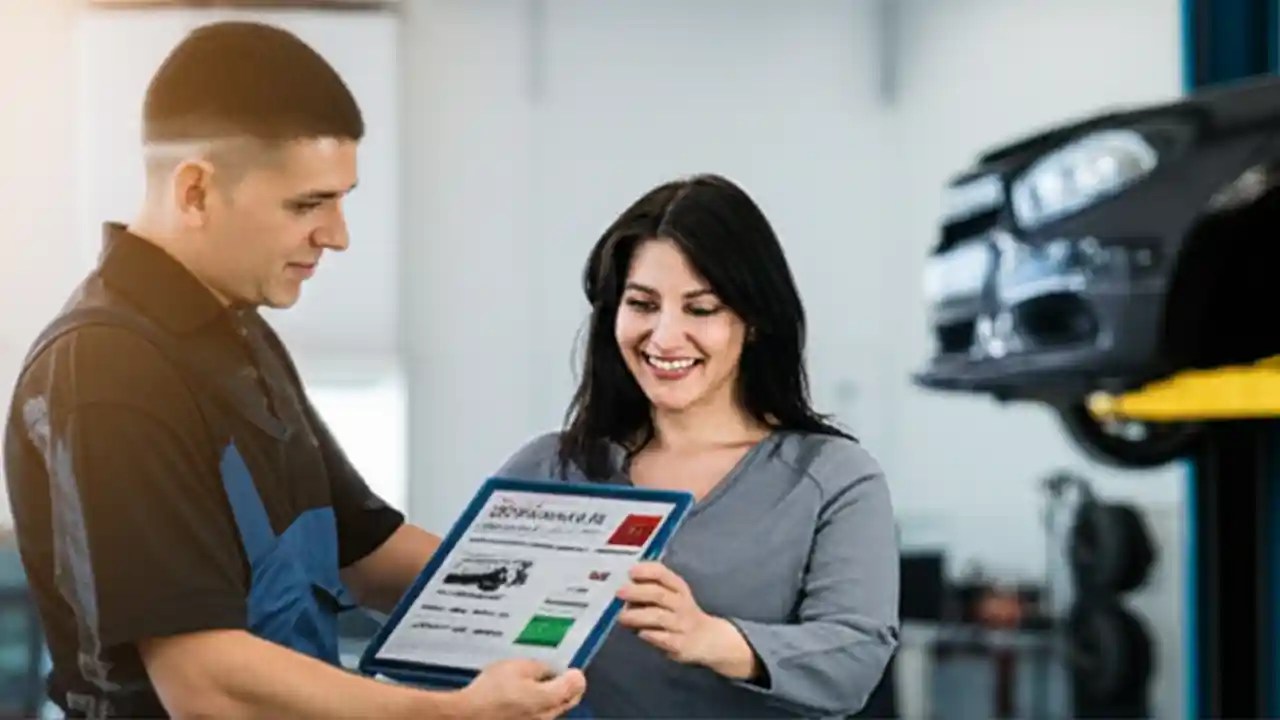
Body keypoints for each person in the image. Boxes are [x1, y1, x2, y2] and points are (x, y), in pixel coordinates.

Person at [3, 21, 583, 720]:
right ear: (194, 192)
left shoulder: (239, 332)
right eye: (307, 204)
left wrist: (566, 594)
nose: (336, 235)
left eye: (342, 199)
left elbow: (364, 550)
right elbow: (203, 683)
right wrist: (450, 714)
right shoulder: (107, 370)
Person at [496, 173, 901, 718]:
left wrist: (711, 639)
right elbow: (454, 620)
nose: (664, 337)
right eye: (642, 304)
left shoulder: (834, 478)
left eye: (700, 308)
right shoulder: (548, 467)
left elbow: (856, 657)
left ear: (752, 320)